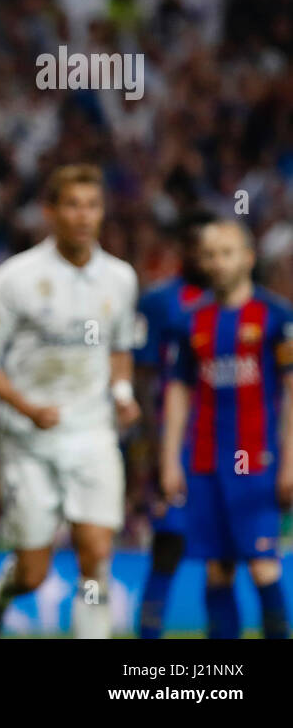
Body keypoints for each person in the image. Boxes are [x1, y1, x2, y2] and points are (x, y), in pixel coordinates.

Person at [0, 164, 139, 639]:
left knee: (95, 553)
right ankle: (2, 595)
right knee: (34, 573)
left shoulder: (120, 279)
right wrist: (26, 408)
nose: (84, 216)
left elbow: (121, 348)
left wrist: (122, 394)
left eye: (92, 205)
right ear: (50, 212)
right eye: (72, 205)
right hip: (29, 439)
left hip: (93, 432)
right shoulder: (16, 278)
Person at [160, 220, 293, 639]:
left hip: (257, 462)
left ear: (249, 258)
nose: (218, 261)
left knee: (261, 563)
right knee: (217, 568)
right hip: (203, 461)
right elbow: (178, 392)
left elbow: (291, 393)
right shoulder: (190, 323)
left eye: (227, 251)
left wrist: (291, 462)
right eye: (210, 253)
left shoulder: (276, 317)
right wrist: (169, 460)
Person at [133, 210, 214, 638]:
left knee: (226, 552)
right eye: (200, 247)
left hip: (226, 442)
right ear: (185, 250)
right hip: (175, 442)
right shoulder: (159, 302)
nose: (209, 256)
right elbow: (144, 379)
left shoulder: (238, 302)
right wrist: (151, 447)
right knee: (169, 545)